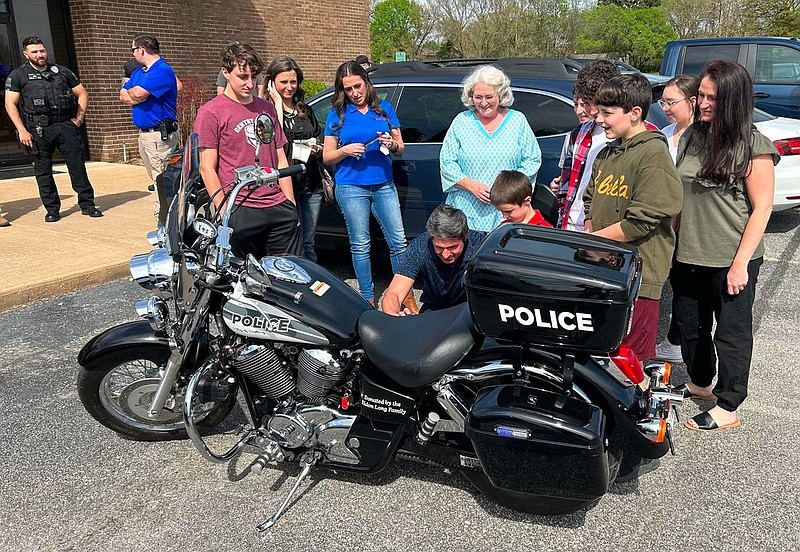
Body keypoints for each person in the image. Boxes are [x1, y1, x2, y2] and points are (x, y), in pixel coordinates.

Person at [672, 60, 778, 432]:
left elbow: (763, 207)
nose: (701, 102)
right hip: (687, 253)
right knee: (690, 326)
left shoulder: (752, 144)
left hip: (731, 257)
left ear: (733, 99)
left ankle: (729, 404)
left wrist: (740, 265)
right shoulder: (691, 136)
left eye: (711, 97)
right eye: (700, 95)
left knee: (730, 333)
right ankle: (701, 383)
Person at [583, 73, 683, 361]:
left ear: (635, 113)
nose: (599, 119)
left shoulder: (653, 153)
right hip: (603, 271)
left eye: (607, 113)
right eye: (598, 111)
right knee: (603, 355)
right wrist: (591, 236)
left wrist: (593, 241)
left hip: (639, 277)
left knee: (632, 361)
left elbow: (641, 221)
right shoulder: (606, 153)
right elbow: (590, 199)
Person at [193, 42, 300, 259]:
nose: (250, 83)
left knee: (288, 276)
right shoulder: (211, 112)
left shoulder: (266, 108)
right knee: (242, 282)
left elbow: (280, 157)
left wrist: (290, 203)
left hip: (278, 205)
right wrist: (226, 213)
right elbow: (207, 168)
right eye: (243, 76)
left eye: (254, 77)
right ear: (226, 72)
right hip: (240, 206)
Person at [323, 60, 414, 310]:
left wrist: (391, 143)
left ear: (367, 82)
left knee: (398, 242)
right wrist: (345, 150)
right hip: (351, 187)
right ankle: (366, 297)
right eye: (348, 89)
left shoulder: (383, 109)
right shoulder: (337, 114)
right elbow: (327, 156)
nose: (355, 93)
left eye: (358, 86)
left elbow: (400, 147)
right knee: (361, 244)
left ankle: (403, 295)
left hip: (384, 185)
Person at [4, 36, 102, 222]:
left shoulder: (62, 72)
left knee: (77, 166)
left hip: (66, 125)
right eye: (35, 52)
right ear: (26, 54)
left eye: (42, 50)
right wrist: (22, 130)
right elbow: (10, 104)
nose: (40, 55)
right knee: (43, 170)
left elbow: (82, 93)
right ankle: (52, 209)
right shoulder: (18, 75)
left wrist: (79, 119)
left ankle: (88, 204)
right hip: (38, 128)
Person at [439, 65, 541, 232]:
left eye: (489, 96)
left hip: (505, 211)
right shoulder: (462, 121)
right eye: (478, 97)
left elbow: (532, 160)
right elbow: (447, 162)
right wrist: (471, 186)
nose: (483, 103)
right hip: (466, 207)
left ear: (500, 95)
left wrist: (506, 189)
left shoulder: (517, 121)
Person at [653, 75, 699, 364]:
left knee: (686, 286)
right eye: (663, 102)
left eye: (671, 102)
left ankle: (677, 342)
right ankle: (673, 339)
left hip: (692, 222)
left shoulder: (703, 136)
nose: (666, 107)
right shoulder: (664, 134)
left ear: (692, 101)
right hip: (664, 221)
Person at [265, 56, 324, 262]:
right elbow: (273, 139)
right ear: (272, 82)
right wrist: (278, 104)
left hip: (310, 184)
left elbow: (318, 134)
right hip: (282, 185)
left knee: (308, 240)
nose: (289, 87)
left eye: (293, 81)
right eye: (283, 82)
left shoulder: (304, 109)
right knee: (288, 239)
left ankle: (312, 284)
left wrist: (316, 146)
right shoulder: (266, 110)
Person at [549, 60, 620, 231]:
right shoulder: (577, 134)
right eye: (578, 103)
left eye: (587, 103)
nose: (579, 110)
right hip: (572, 225)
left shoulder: (632, 136)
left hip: (603, 230)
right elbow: (568, 183)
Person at [382, 204, 484, 315]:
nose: (445, 255)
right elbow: (394, 293)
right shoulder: (421, 246)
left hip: (468, 308)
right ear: (431, 238)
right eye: (439, 247)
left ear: (465, 237)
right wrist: (393, 316)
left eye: (452, 247)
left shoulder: (480, 246)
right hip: (434, 307)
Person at [120, 33, 180, 195]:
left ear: (141, 50)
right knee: (156, 179)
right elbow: (122, 95)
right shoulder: (139, 72)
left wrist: (136, 93)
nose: (132, 54)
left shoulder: (162, 70)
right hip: (145, 135)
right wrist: (138, 94)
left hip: (159, 135)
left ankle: (164, 218)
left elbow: (137, 93)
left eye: (133, 49)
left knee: (162, 181)